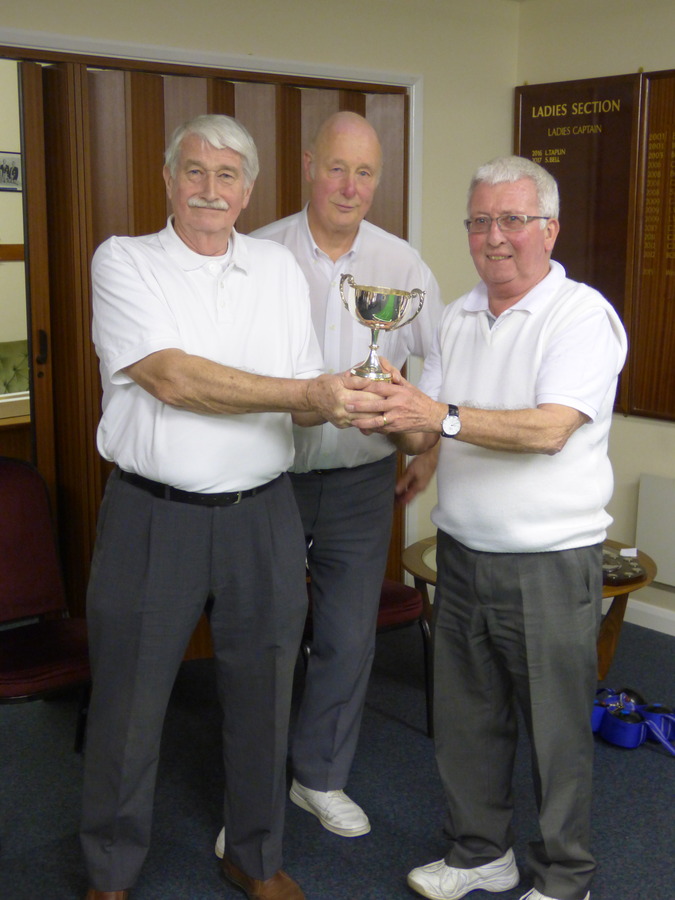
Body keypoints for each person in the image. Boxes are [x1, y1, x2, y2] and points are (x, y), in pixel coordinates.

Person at [80, 114, 379, 900]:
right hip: (154, 516)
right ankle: (110, 874)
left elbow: (303, 404)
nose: (210, 190)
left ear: (248, 191)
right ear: (168, 179)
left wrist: (354, 398)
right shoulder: (125, 260)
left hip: (264, 515)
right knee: (128, 704)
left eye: (227, 176)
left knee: (265, 697)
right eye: (195, 171)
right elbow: (173, 379)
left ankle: (253, 856)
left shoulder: (277, 270)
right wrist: (305, 392)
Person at [348, 156, 627, 900]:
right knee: (467, 723)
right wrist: (388, 406)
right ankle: (479, 853)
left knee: (555, 733)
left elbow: (549, 429)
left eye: (512, 220)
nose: (494, 237)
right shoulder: (458, 316)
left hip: (548, 561)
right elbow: (425, 434)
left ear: (549, 229)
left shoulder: (582, 316)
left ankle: (565, 878)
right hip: (462, 555)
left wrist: (435, 414)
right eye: (479, 221)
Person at [216, 111, 444, 845]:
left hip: (361, 481)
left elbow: (440, 358)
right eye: (337, 168)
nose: (350, 186)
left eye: (365, 172)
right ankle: (249, 796)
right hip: (269, 477)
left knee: (347, 636)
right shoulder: (259, 253)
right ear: (310, 165)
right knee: (265, 635)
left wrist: (429, 449)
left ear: (377, 180)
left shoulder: (402, 265)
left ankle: (319, 777)